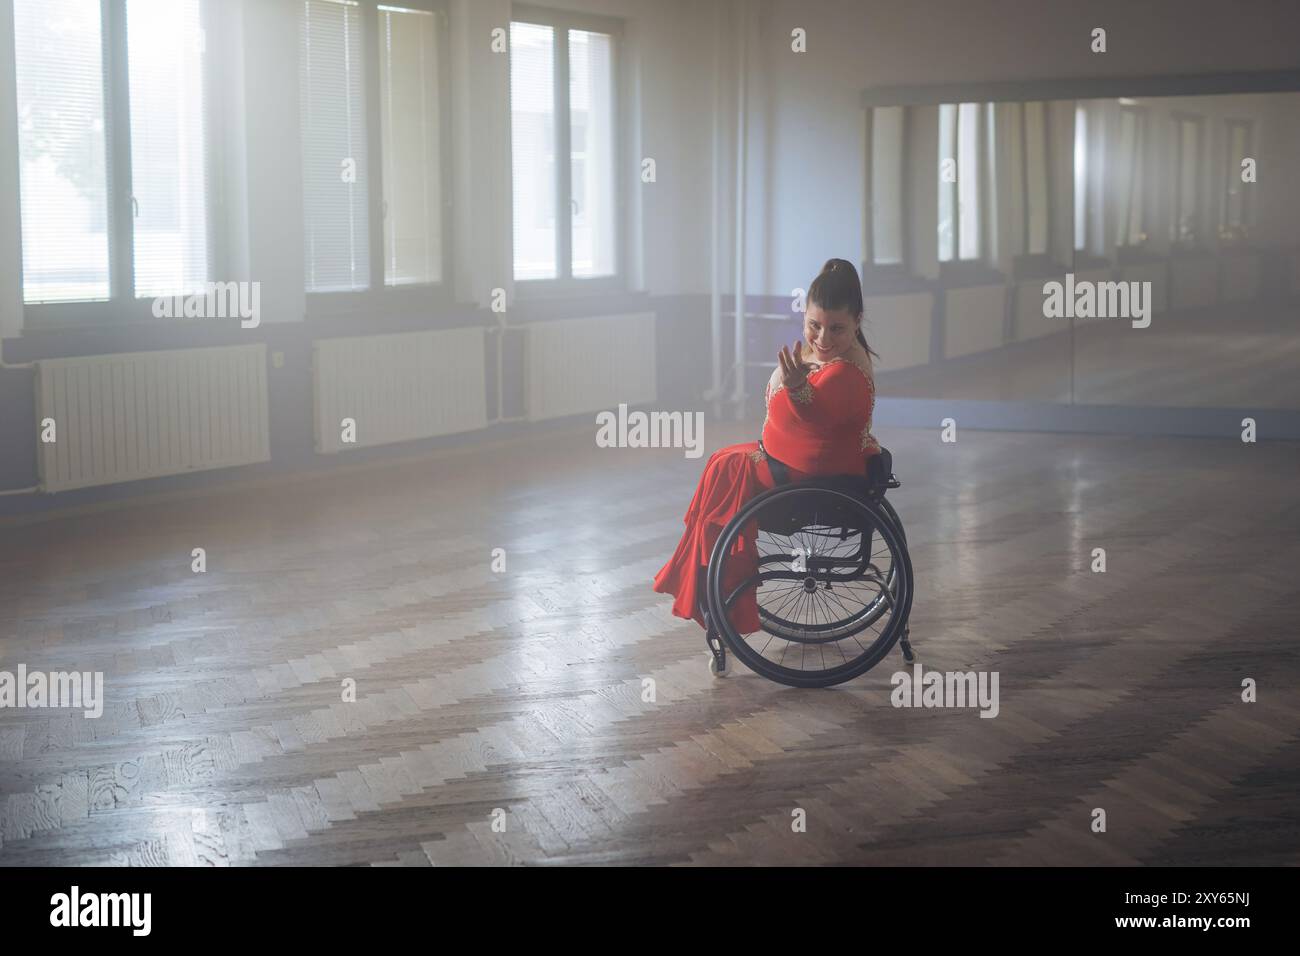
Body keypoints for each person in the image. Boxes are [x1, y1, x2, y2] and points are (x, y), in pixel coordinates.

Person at [652, 258, 882, 634]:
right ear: (804, 317)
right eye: (814, 326)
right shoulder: (836, 358)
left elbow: (817, 415)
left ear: (857, 321)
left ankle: (714, 588)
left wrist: (795, 388)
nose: (823, 339)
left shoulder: (845, 373)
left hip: (806, 477)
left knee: (726, 466)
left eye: (836, 328)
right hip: (797, 463)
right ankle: (705, 583)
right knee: (722, 459)